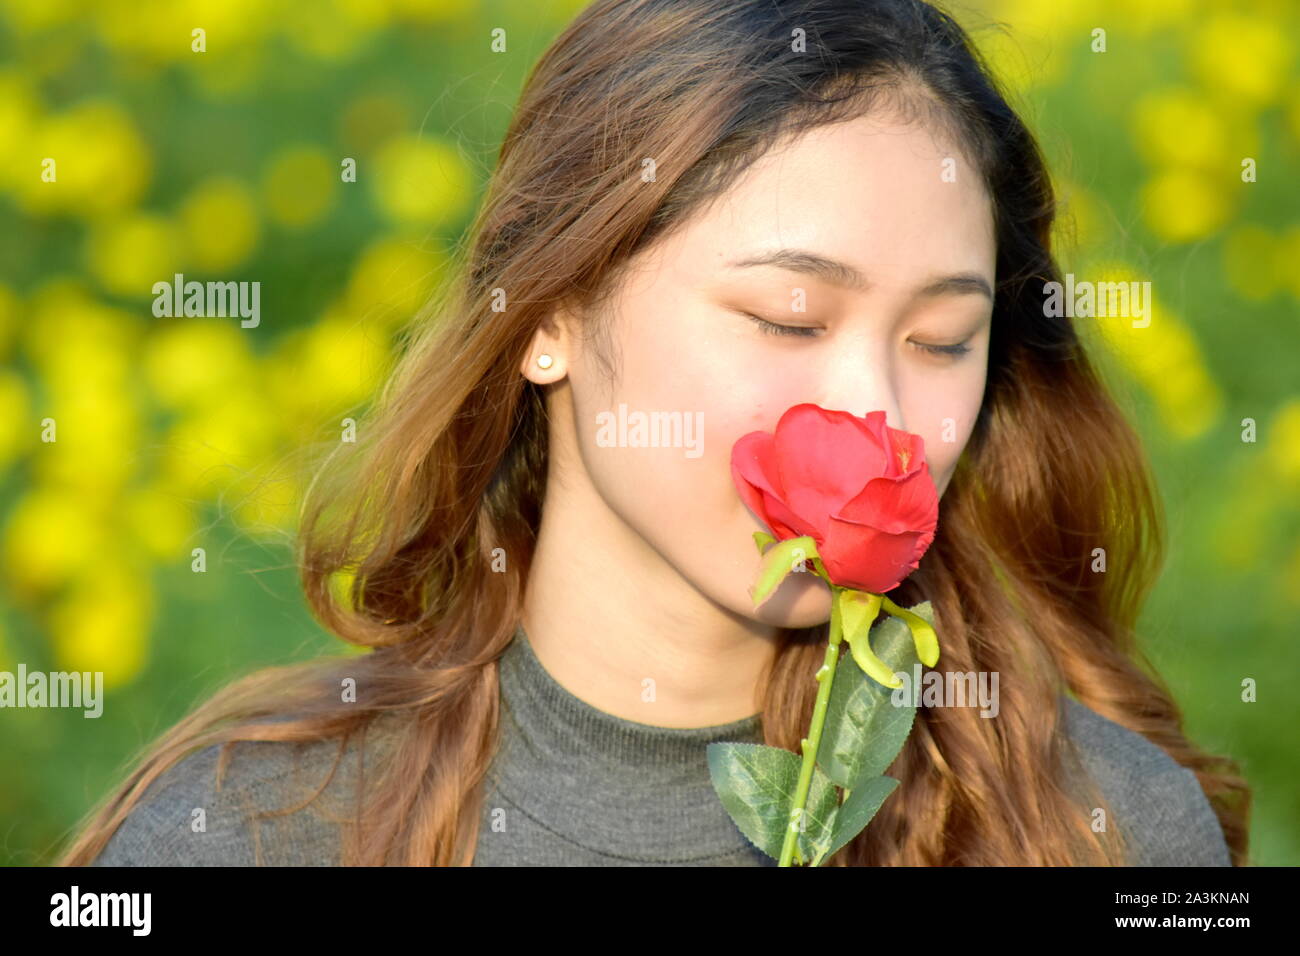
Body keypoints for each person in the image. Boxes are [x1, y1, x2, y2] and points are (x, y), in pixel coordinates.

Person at [61, 0, 1249, 867]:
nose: (880, 413)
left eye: (942, 341)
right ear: (551, 313)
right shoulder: (251, 833)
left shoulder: (1094, 829)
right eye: (790, 316)